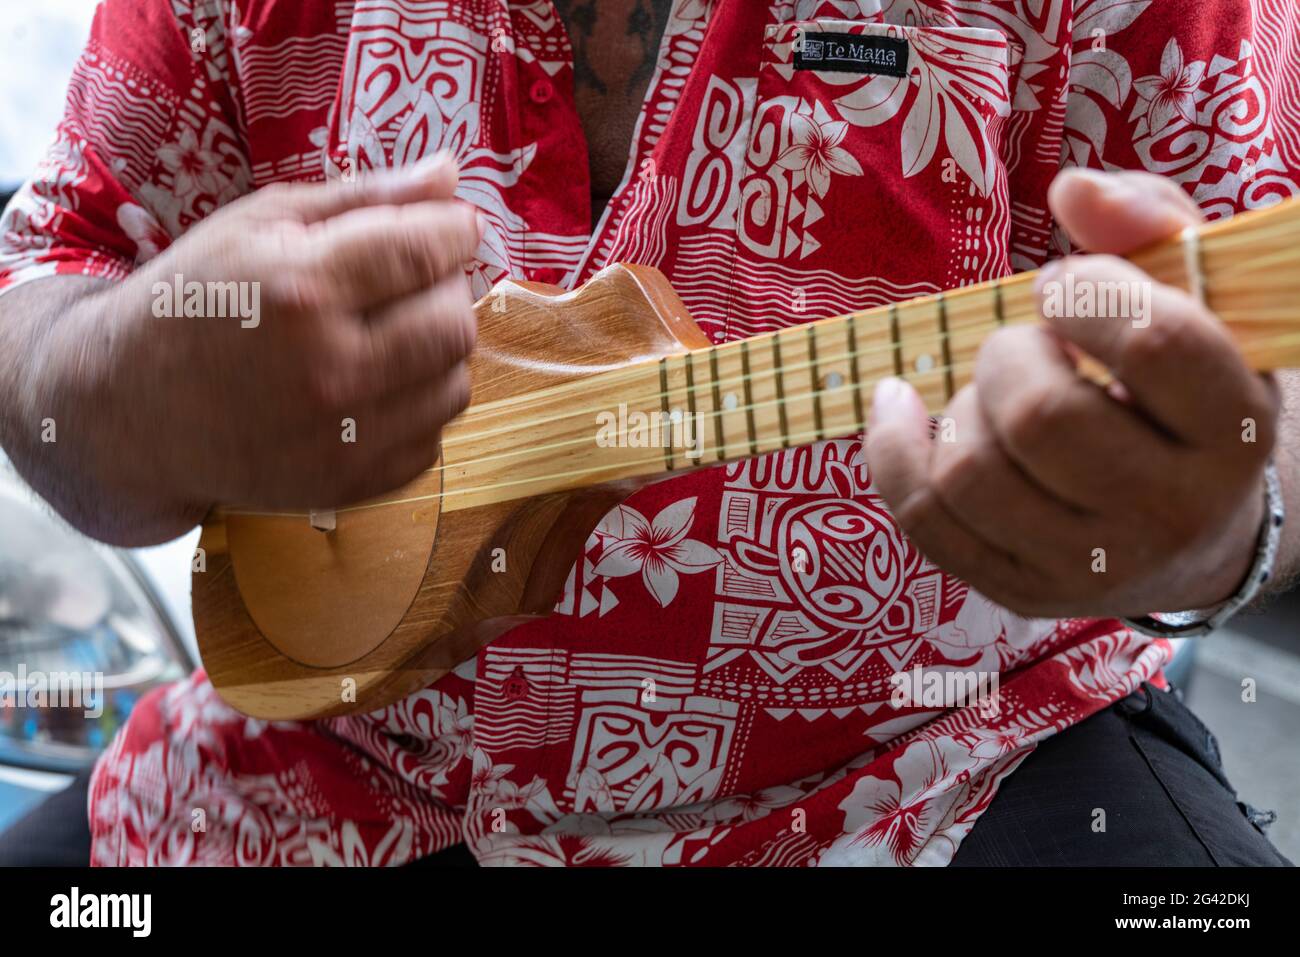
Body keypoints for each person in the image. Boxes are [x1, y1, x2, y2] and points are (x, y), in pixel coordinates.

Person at [0, 0, 1295, 867]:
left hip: (947, 768)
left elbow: (1276, 388)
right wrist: (125, 378)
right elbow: (51, 284)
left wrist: (1223, 522)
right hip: (311, 755)